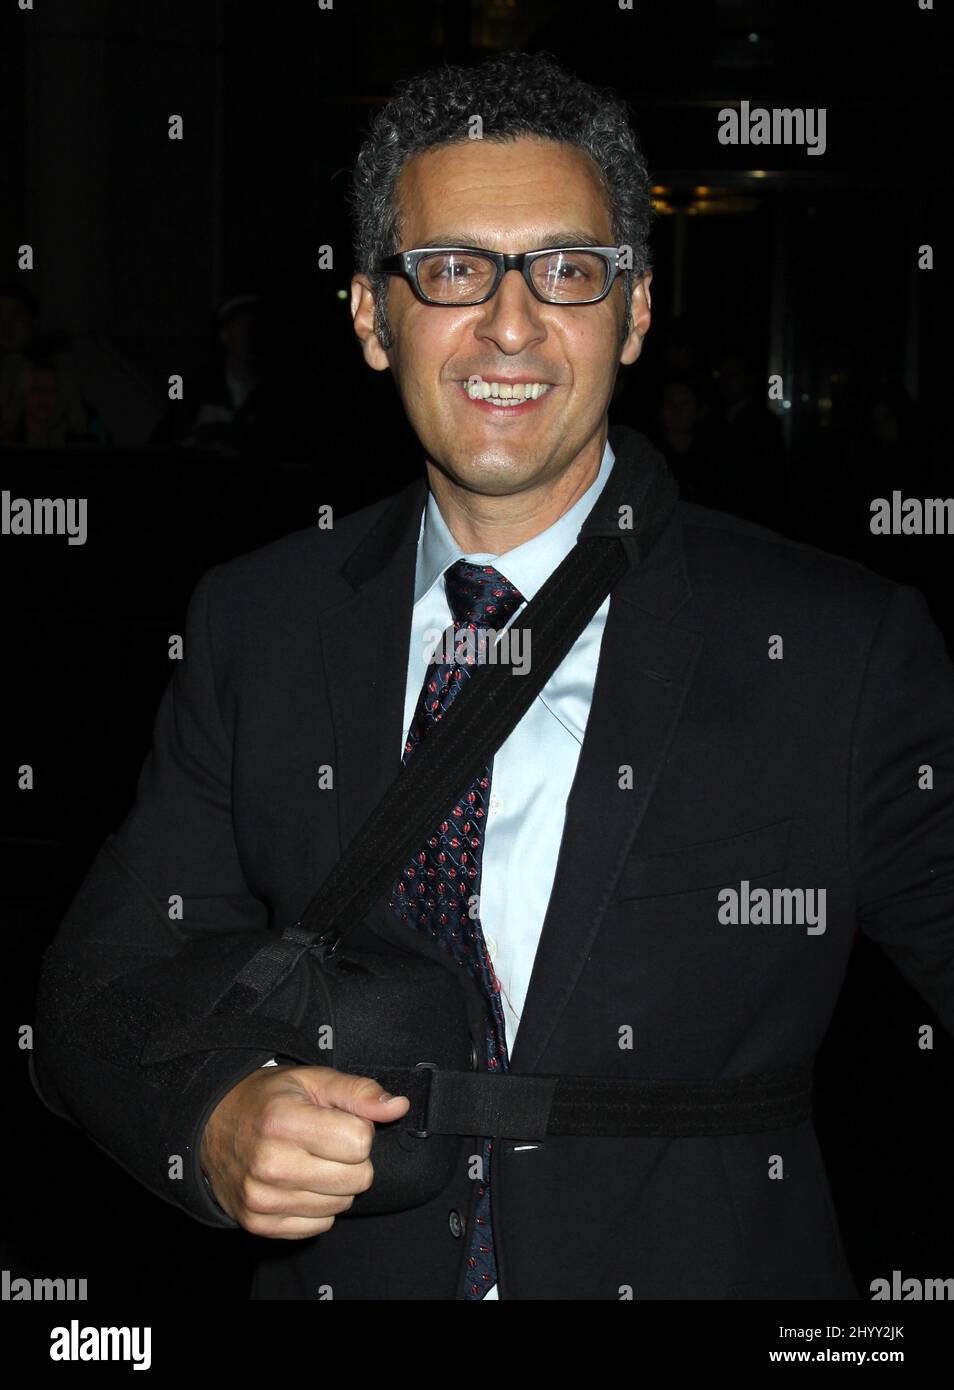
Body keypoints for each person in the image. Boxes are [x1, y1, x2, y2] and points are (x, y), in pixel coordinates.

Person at [30, 50, 954, 1300]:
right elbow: (102, 985)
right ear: (370, 315)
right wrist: (212, 1118)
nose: (510, 324)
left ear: (631, 311)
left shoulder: (840, 643)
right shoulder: (258, 619)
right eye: (454, 268)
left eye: (566, 270)